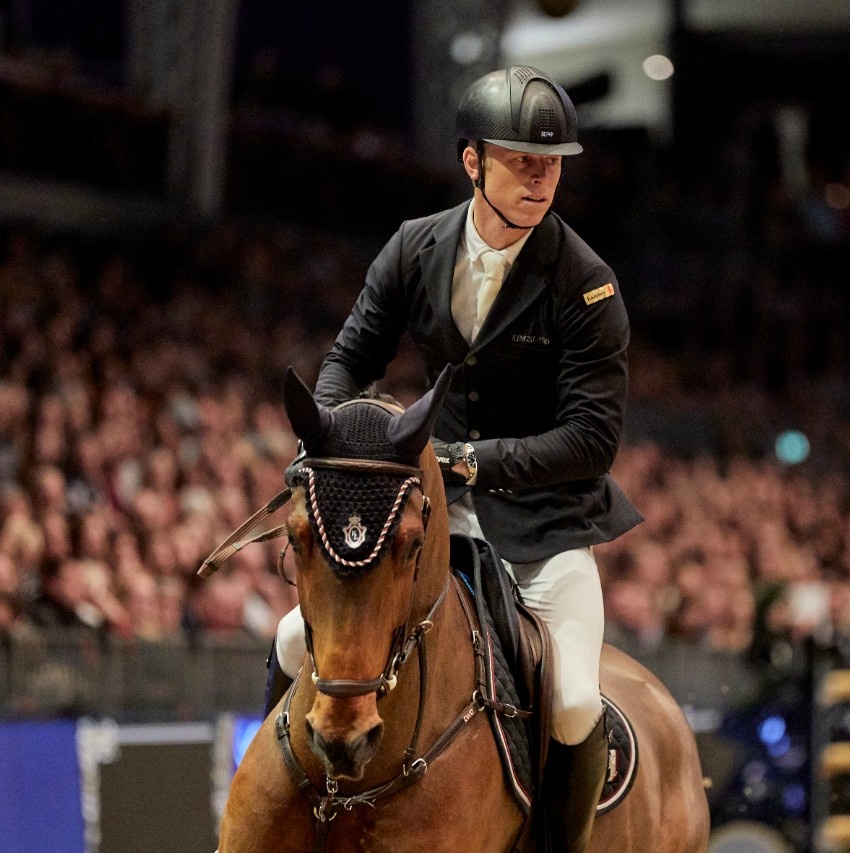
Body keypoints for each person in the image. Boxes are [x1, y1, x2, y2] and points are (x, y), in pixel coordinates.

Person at [264, 65, 642, 851]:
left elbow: (591, 439)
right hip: (424, 519)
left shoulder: (586, 285)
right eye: (522, 161)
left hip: (544, 527)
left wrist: (465, 459)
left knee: (572, 700)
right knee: (296, 642)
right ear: (473, 162)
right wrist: (333, 445)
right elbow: (347, 360)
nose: (542, 179)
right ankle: (280, 805)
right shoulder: (415, 246)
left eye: (553, 163)